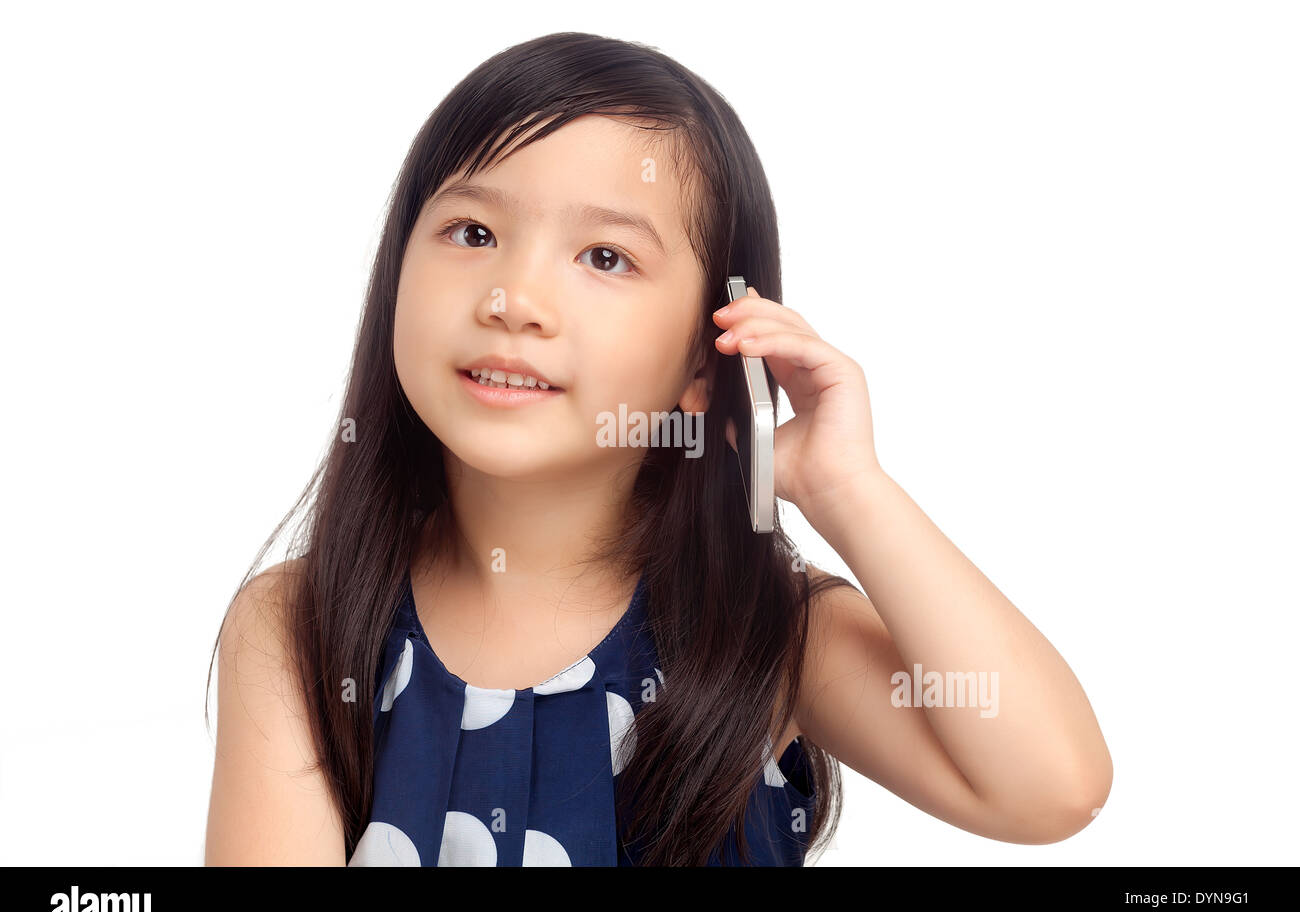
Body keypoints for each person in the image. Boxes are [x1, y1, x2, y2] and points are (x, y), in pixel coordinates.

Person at [204, 31, 1112, 867]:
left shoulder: (767, 632)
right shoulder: (299, 630)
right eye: (472, 233)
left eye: (604, 257)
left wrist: (846, 486)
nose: (514, 297)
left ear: (709, 354)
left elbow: (1049, 788)